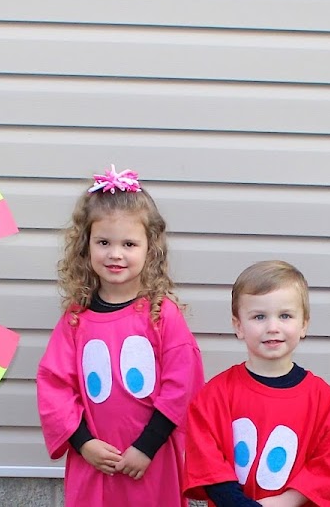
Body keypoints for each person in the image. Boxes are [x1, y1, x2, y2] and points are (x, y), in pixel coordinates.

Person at [36, 166, 204, 506]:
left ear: (150, 248)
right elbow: (54, 386)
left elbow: (182, 386)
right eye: (104, 242)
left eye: (129, 243)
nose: (116, 254)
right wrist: (83, 443)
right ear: (85, 246)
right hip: (94, 463)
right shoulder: (75, 320)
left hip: (150, 462)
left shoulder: (162, 316)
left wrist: (145, 447)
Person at [185, 260, 330, 507]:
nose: (272, 327)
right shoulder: (217, 394)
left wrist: (284, 502)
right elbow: (205, 457)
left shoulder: (319, 397)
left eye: (285, 316)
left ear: (304, 324)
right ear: (239, 326)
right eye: (259, 316)